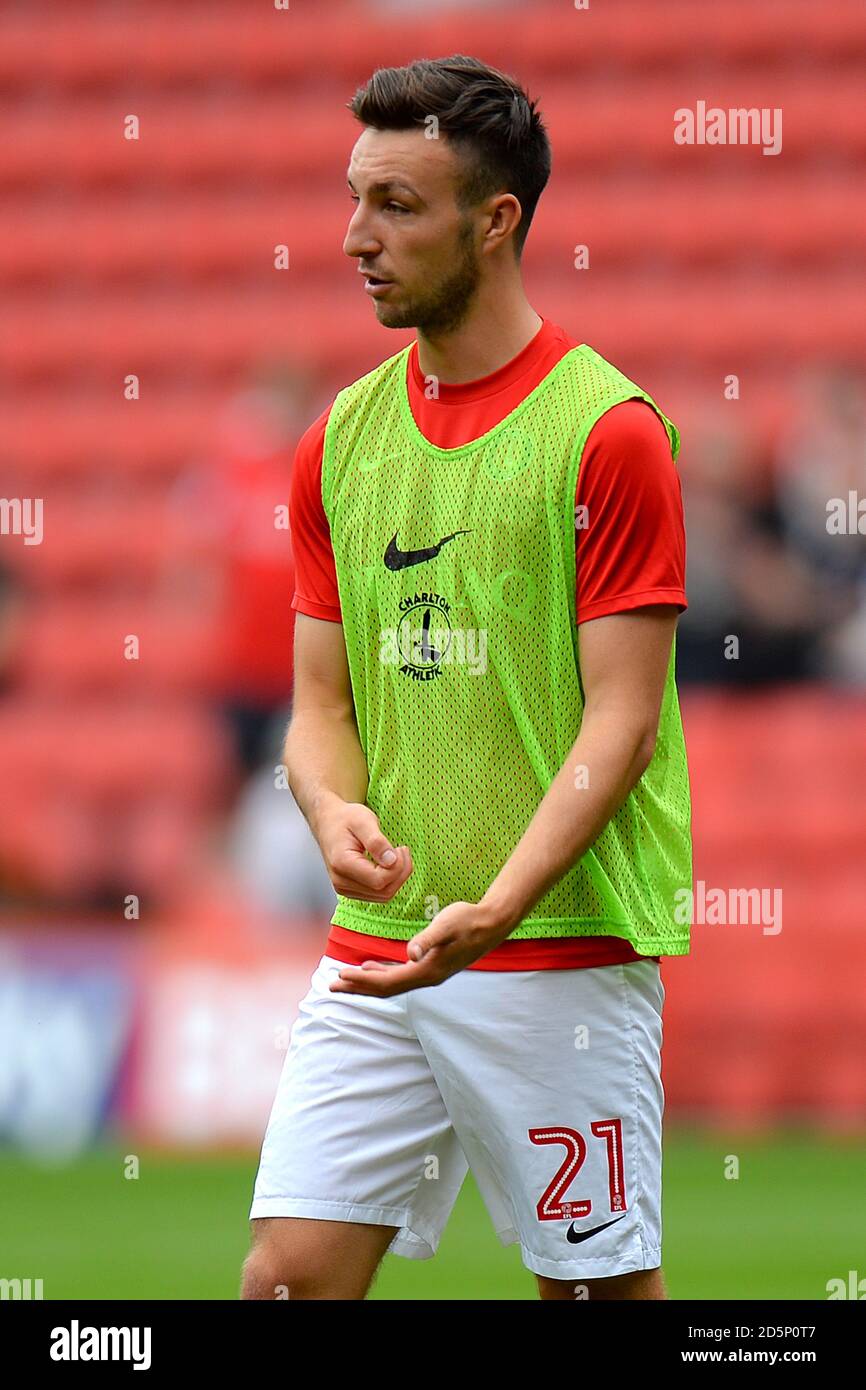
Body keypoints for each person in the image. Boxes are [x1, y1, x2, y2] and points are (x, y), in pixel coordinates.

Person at [243, 55, 691, 1302]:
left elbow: (624, 716)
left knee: (593, 1299)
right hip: (381, 951)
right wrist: (328, 808)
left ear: (494, 223)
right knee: (284, 1281)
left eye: (396, 205)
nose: (353, 238)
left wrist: (497, 904)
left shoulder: (607, 434)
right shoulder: (336, 439)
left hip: (552, 954)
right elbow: (319, 709)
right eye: (352, 198)